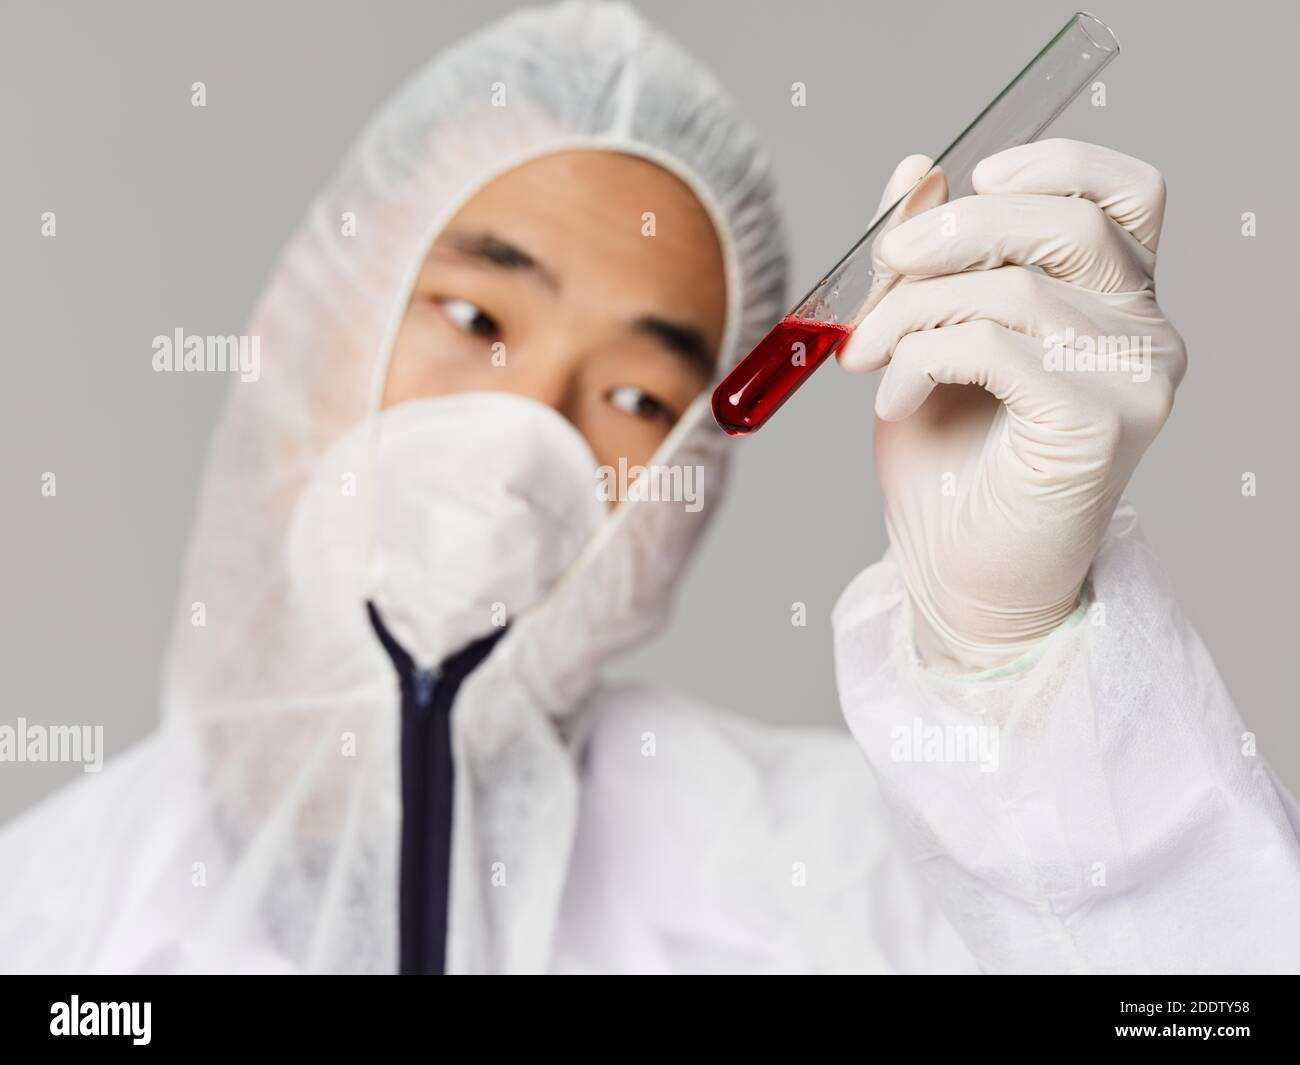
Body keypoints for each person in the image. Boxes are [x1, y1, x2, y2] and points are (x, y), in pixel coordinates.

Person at [2, 0, 1297, 974]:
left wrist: (1022, 667)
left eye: (635, 396)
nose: (524, 440)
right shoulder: (42, 924)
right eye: (470, 313)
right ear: (301, 314)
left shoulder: (844, 889)